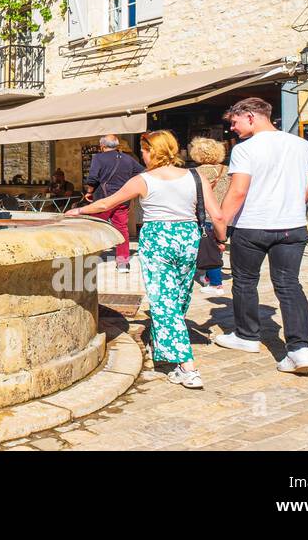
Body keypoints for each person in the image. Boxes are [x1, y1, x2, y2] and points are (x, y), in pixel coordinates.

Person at [67, 130, 224, 389]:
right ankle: (164, 346)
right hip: (188, 238)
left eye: (144, 151)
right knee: (178, 298)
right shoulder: (196, 177)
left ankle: (187, 367)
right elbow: (217, 216)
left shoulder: (144, 180)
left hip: (158, 238)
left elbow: (107, 203)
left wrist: (80, 210)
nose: (143, 155)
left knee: (163, 301)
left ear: (153, 151)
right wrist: (220, 240)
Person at [212, 97, 308, 375]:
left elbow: (238, 191)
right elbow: (307, 191)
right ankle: (300, 348)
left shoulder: (245, 149)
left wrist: (220, 223)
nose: (232, 129)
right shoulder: (302, 145)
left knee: (245, 282)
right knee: (289, 284)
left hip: (252, 226)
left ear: (250, 116)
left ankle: (247, 336)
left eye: (234, 123)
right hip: (292, 226)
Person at [84, 134, 143, 273]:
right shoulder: (128, 159)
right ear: (117, 145)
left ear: (102, 146)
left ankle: (91, 259)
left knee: (95, 227)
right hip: (122, 199)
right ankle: (123, 263)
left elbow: (92, 177)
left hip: (103, 199)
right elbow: (142, 172)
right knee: (122, 229)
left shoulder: (98, 158)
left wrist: (89, 191)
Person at [189, 136, 230, 296]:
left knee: (209, 248)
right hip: (225, 215)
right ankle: (209, 276)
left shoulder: (195, 173)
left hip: (205, 215)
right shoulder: (227, 170)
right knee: (216, 247)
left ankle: (216, 283)